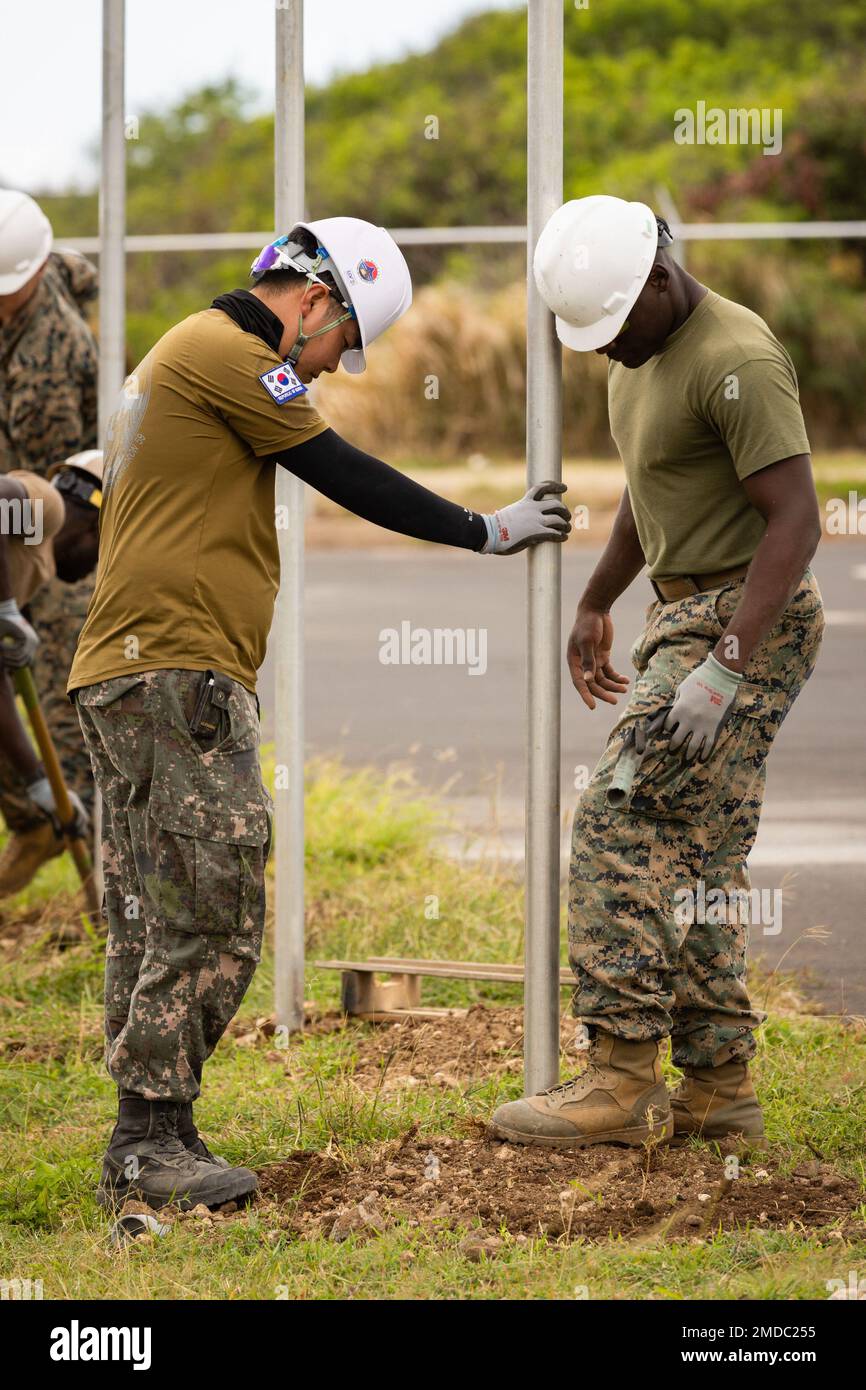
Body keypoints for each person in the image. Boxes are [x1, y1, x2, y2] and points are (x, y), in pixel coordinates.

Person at [67, 215, 572, 1211]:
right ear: (315, 302)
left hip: (129, 670)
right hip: (175, 673)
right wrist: (483, 529)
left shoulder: (183, 350)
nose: (336, 365)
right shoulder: (229, 352)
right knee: (216, 904)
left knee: (152, 910)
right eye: (345, 342)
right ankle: (148, 1140)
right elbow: (341, 469)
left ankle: (150, 1137)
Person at [492, 194, 823, 1149]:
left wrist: (724, 669)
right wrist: (597, 598)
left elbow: (797, 521)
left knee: (619, 815)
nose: (603, 350)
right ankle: (721, 1091)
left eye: (613, 327)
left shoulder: (736, 359)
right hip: (681, 611)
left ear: (659, 280)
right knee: (699, 856)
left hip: (742, 619)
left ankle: (621, 1078)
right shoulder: (636, 358)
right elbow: (654, 486)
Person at [0, 191, 99, 894]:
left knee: (65, 714)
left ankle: (98, 878)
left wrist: (9, 592)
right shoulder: (17, 298)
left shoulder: (53, 351)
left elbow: (35, 500)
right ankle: (31, 818)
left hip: (58, 536)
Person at [0, 452, 101, 848]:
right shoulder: (48, 512)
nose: (93, 570)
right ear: (96, 526)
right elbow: (1, 498)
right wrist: (5, 606)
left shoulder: (22, 559)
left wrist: (40, 781)